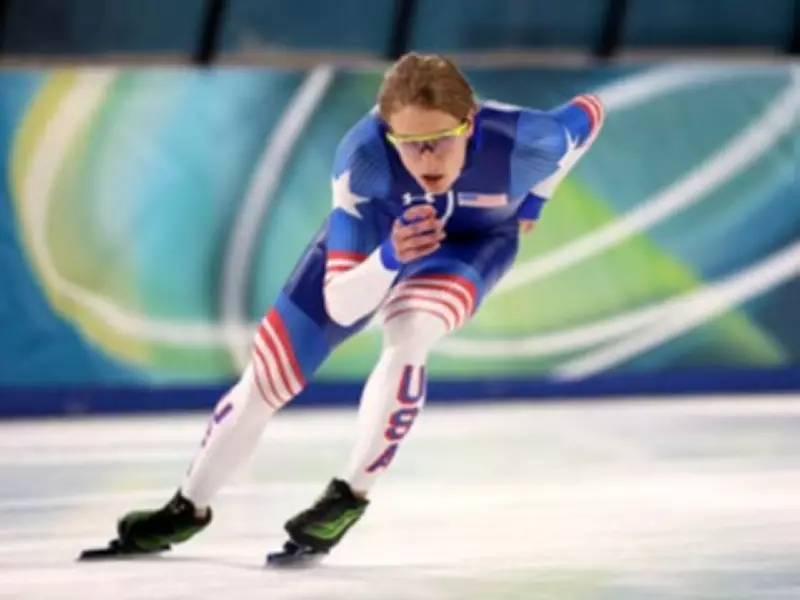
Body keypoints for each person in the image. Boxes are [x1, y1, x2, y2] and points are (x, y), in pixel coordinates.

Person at [79, 52, 605, 566]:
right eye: (411, 145)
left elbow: (589, 115)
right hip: (380, 241)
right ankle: (186, 507)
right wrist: (392, 254)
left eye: (440, 141)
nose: (426, 160)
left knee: (412, 327)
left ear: (469, 125)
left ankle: (349, 496)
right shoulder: (365, 158)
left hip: (475, 243)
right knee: (270, 373)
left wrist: (538, 197)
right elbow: (342, 300)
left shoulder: (528, 140)